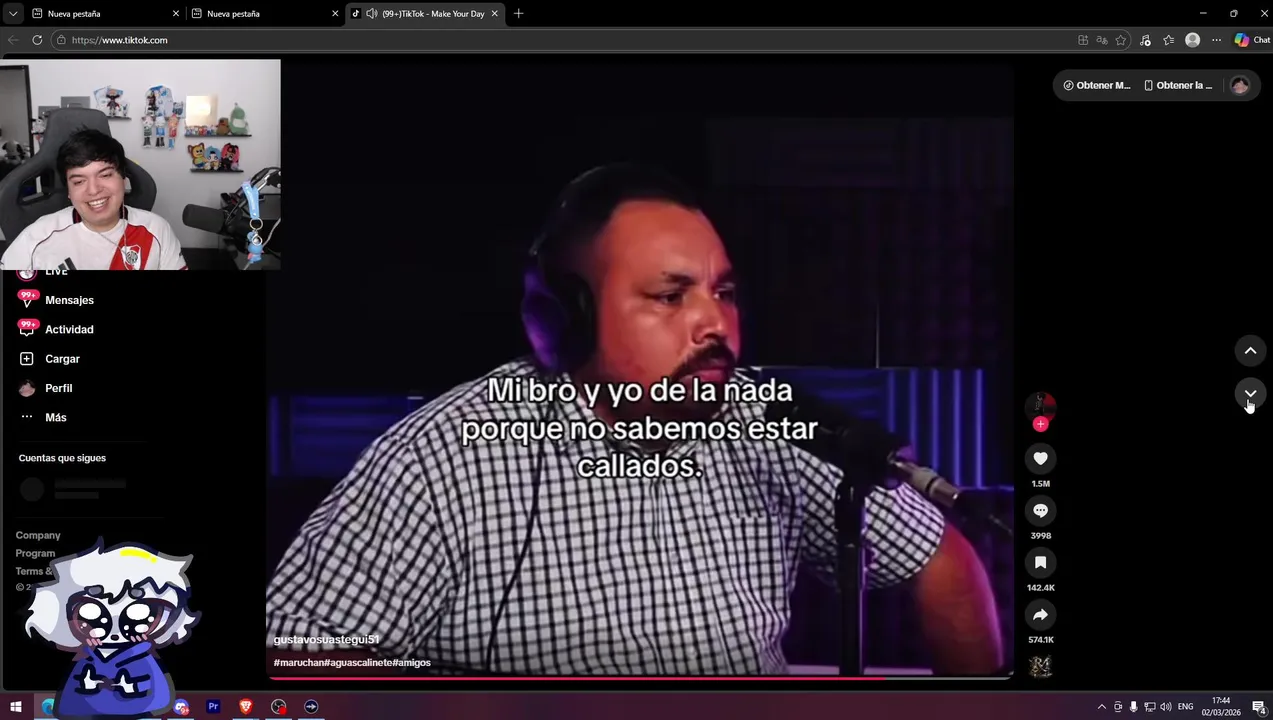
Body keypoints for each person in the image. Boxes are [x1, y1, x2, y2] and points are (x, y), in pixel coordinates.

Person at [265, 164, 1003, 676]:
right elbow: (298, 649)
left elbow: (943, 563)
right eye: (670, 297)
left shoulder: (770, 422)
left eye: (724, 293)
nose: (716, 325)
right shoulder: (444, 455)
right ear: (564, 320)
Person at [0, 130, 187, 271]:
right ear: (69, 192)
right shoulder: (36, 238)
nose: (94, 190)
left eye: (105, 175)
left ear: (123, 179)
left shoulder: (156, 230)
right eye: (79, 181)